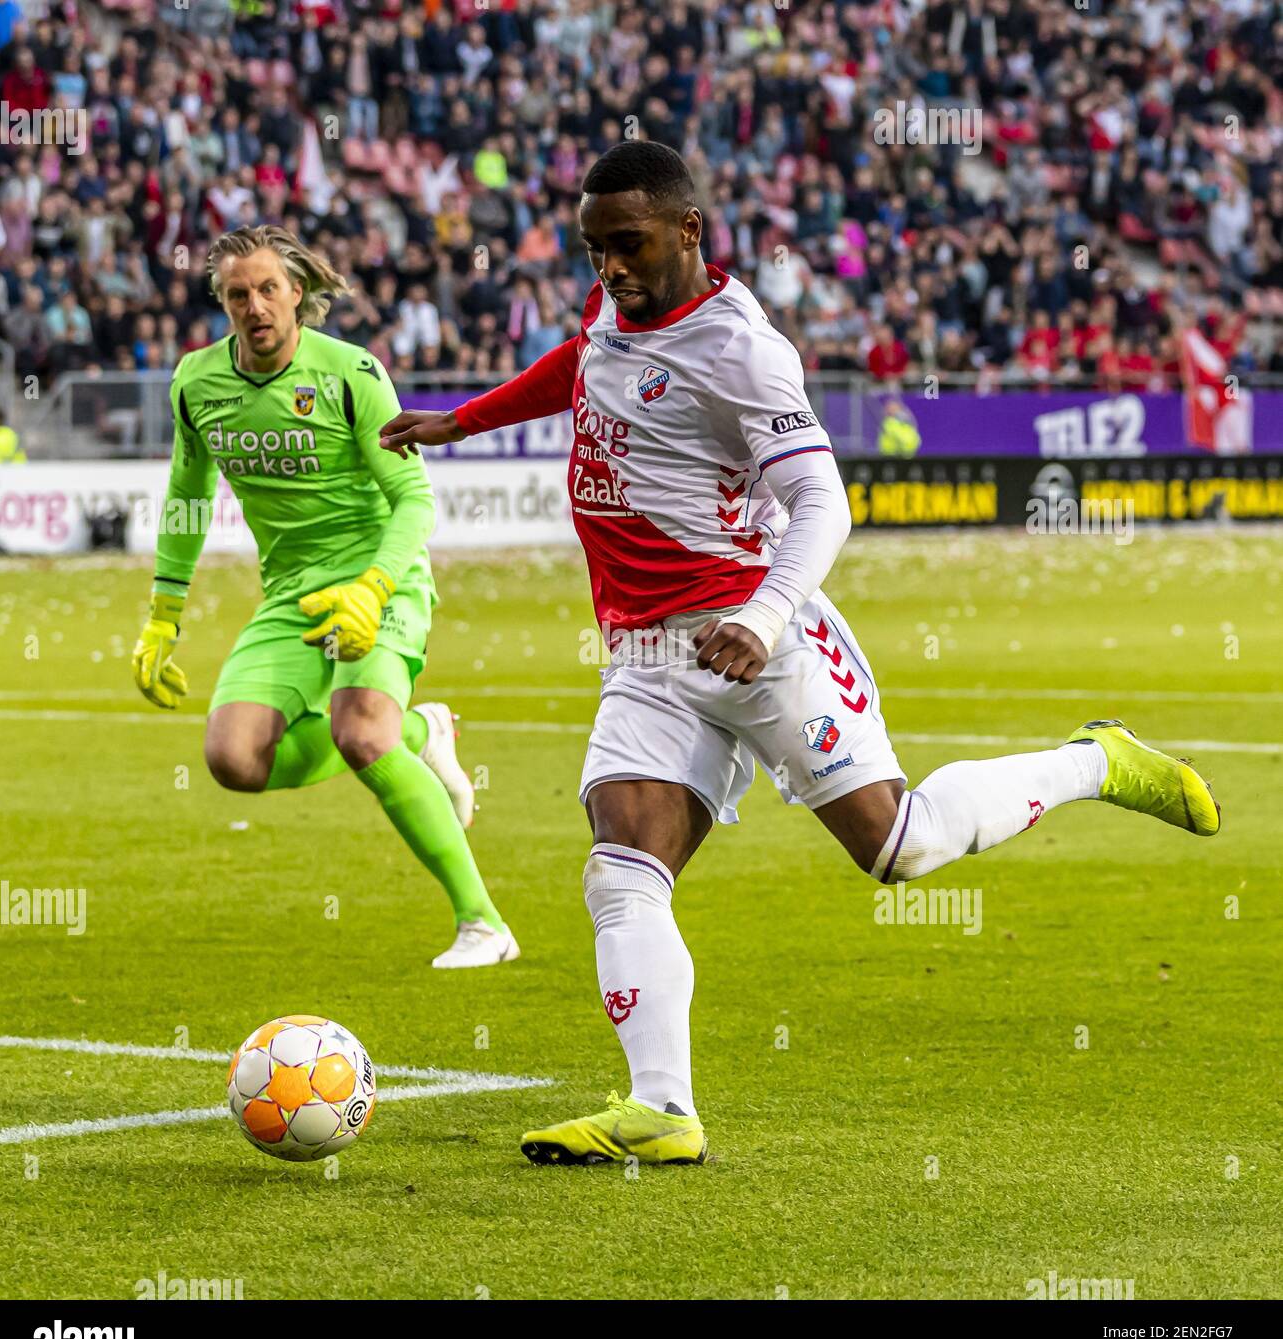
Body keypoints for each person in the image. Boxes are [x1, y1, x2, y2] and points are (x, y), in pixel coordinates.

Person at [381, 142, 1220, 1163]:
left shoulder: (742, 353)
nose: (608, 269)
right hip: (646, 655)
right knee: (620, 868)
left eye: (629, 245)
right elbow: (585, 363)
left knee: (898, 848)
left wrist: (767, 617)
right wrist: (462, 420)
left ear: (690, 230)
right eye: (594, 248)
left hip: (755, 638)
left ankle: (1096, 759)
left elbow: (825, 502)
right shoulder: (620, 307)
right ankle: (662, 1107)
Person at [132, 224, 518, 969]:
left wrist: (376, 588)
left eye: (268, 289)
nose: (255, 306)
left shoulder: (351, 373)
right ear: (223, 302)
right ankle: (421, 736)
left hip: (384, 576)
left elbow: (413, 500)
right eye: (238, 294)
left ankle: (483, 924)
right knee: (232, 758)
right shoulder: (196, 383)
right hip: (291, 594)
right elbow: (186, 496)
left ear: (297, 293)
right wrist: (162, 616)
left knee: (358, 732)